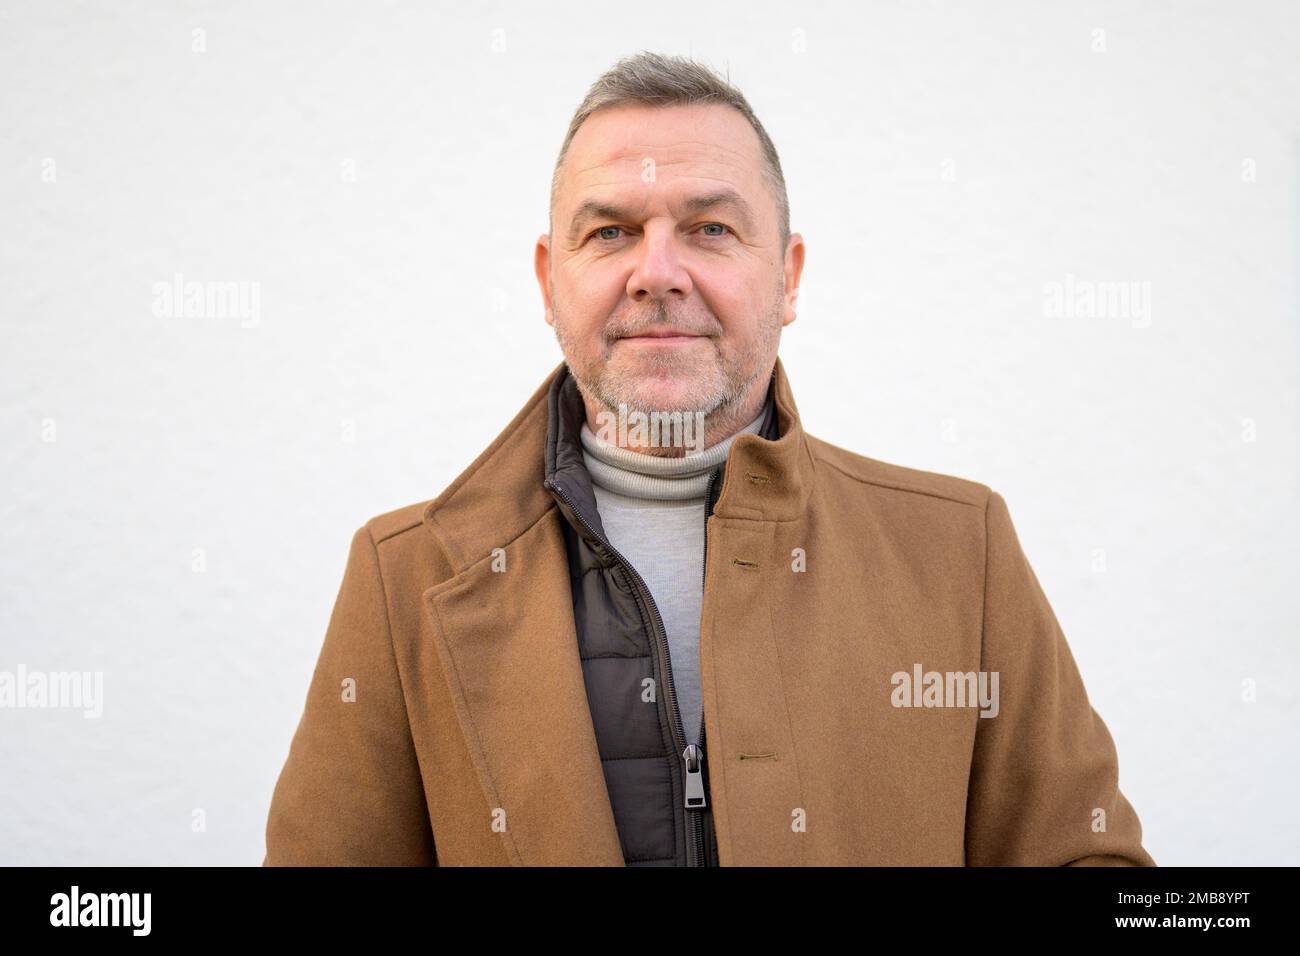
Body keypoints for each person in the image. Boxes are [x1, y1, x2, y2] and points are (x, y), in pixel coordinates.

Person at [263, 51, 1154, 867]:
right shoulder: (403, 578)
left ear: (790, 276)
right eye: (609, 232)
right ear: (547, 280)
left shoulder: (962, 552)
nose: (657, 271)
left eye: (711, 230)